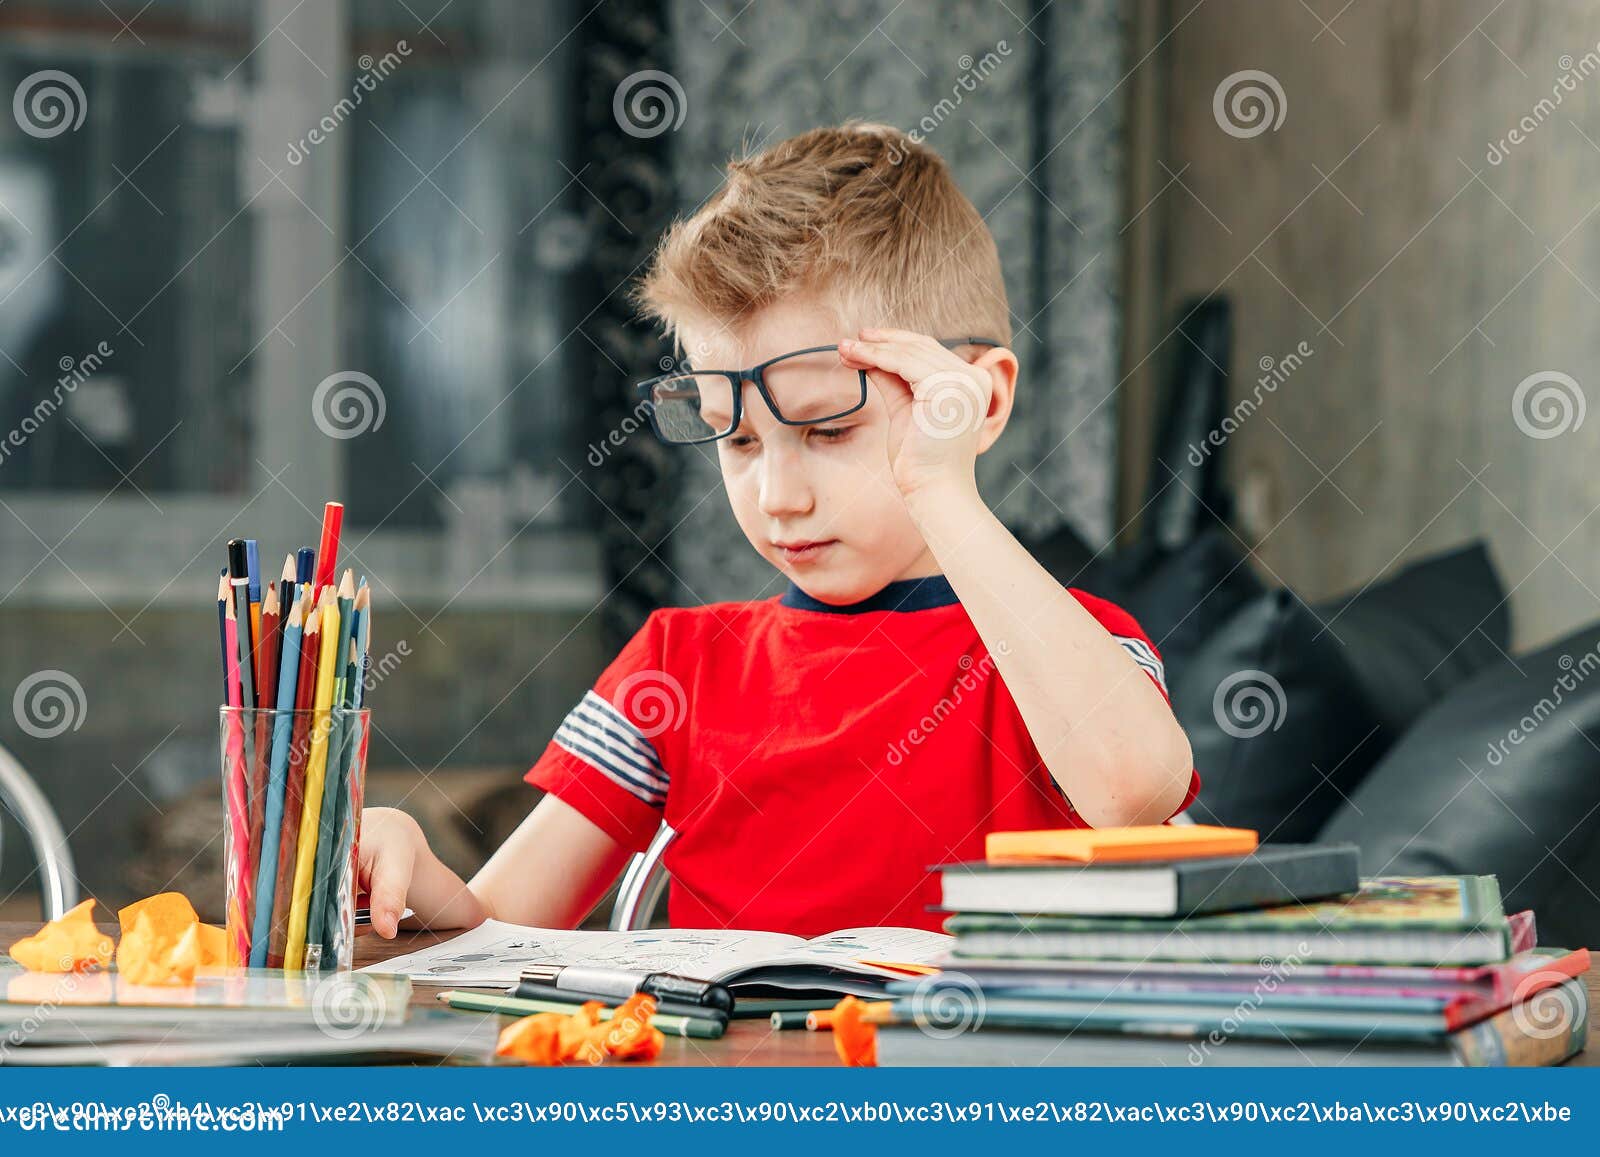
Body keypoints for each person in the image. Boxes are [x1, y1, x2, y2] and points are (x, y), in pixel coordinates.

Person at [359, 122, 1197, 940]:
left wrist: (941, 487)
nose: (778, 495)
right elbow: (495, 934)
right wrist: (414, 879)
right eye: (737, 437)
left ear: (980, 402)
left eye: (829, 429)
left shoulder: (1062, 651)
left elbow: (1135, 789)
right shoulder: (675, 670)